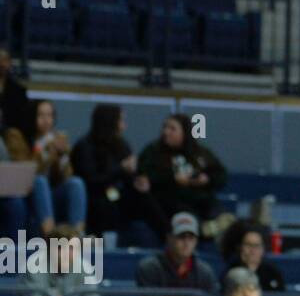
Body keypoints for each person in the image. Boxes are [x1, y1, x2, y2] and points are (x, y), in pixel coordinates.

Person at [71, 103, 166, 245]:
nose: (123, 126)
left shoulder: (121, 144)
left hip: (118, 194)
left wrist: (138, 179)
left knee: (145, 196)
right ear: (110, 123)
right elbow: (91, 180)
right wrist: (121, 169)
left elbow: (129, 176)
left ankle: (167, 235)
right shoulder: (84, 146)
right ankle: (108, 246)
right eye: (121, 121)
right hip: (96, 196)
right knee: (107, 204)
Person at [138, 113, 229, 235]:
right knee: (184, 216)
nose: (166, 132)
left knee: (222, 217)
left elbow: (221, 174)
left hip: (201, 200)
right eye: (165, 127)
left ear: (184, 132)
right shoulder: (153, 151)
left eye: (172, 129)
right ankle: (201, 230)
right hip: (169, 201)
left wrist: (206, 179)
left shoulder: (199, 152)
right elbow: (145, 176)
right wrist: (173, 179)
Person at [7, 99, 87, 235]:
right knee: (40, 181)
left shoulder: (56, 138)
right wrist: (44, 152)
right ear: (32, 116)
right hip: (28, 194)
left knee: (76, 183)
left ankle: (76, 235)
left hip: (52, 195)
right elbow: (25, 172)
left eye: (50, 115)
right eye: (41, 115)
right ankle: (50, 235)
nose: (46, 120)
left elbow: (66, 177)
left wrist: (62, 157)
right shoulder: (17, 136)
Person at [218, 219, 287, 296]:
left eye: (257, 245)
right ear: (239, 247)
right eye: (248, 245)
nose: (253, 250)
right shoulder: (229, 274)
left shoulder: (273, 273)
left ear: (263, 249)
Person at [0, 48, 32, 139]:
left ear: (10, 63)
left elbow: (24, 120)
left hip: (11, 137)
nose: (1, 63)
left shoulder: (19, 91)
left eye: (4, 60)